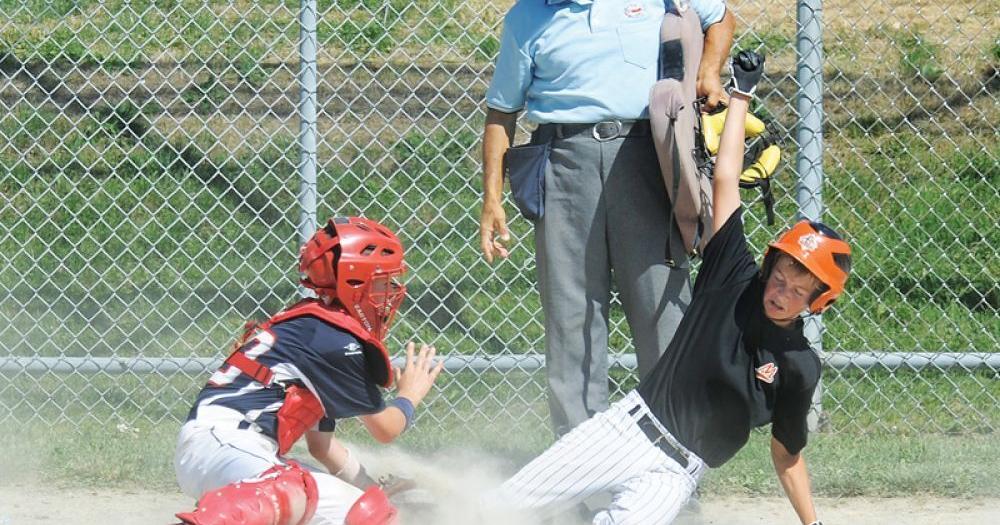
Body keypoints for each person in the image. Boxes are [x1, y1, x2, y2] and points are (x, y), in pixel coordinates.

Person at [483, 51, 851, 525]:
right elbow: (724, 181)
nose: (781, 291)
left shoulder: (799, 367)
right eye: (780, 276)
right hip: (626, 432)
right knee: (495, 508)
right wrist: (740, 93)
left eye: (798, 290)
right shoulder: (732, 277)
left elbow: (787, 457)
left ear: (819, 302)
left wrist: (813, 523)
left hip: (675, 474)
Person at [480, 0, 736, 436]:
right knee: (571, 317)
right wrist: (492, 199)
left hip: (650, 157)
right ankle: (584, 471)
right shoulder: (529, 16)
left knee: (664, 309)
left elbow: (721, 18)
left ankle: (673, 462)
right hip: (563, 162)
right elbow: (502, 112)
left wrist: (707, 73)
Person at [173, 216, 444, 525]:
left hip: (228, 452)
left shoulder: (316, 327)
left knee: (375, 514)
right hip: (227, 445)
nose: (389, 292)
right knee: (294, 487)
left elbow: (322, 447)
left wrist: (372, 493)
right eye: (382, 282)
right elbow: (386, 428)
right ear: (355, 282)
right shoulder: (331, 339)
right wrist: (408, 396)